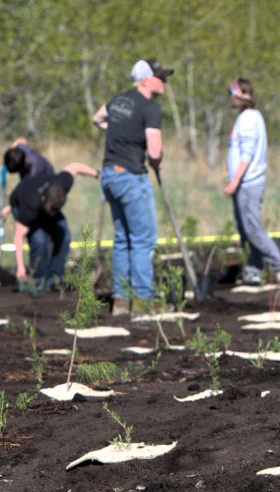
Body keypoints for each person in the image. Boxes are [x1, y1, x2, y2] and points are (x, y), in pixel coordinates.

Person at [92, 59, 171, 315]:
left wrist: (120, 131)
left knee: (123, 239)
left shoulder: (118, 101)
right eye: (161, 77)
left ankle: (121, 301)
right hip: (130, 177)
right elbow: (155, 152)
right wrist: (155, 160)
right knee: (142, 240)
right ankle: (143, 301)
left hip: (109, 176)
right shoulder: (150, 109)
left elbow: (98, 118)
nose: (165, 81)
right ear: (147, 79)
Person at [224, 78, 280, 285]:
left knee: (253, 229)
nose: (229, 98)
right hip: (246, 183)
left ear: (239, 96)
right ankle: (254, 269)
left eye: (231, 93)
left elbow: (247, 154)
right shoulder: (248, 117)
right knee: (246, 229)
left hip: (248, 183)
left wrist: (234, 181)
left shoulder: (248, 119)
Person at [0, 162, 99, 290]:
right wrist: (20, 267)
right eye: (51, 211)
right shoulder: (29, 208)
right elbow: (18, 237)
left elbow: (74, 167)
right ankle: (40, 279)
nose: (52, 214)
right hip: (22, 203)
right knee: (38, 241)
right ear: (43, 199)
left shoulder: (62, 183)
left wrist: (98, 175)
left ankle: (55, 278)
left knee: (64, 237)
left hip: (41, 201)